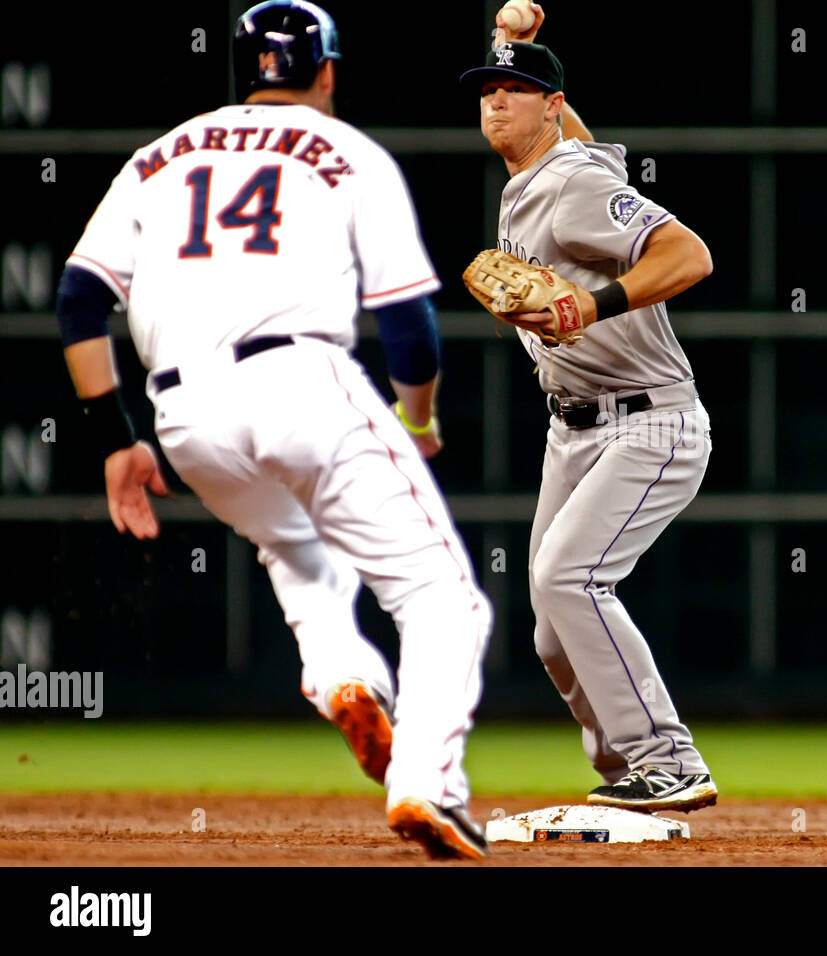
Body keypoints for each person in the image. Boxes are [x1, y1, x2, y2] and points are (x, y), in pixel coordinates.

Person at [55, 0, 491, 860]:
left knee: (297, 550)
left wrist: (117, 439)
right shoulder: (350, 153)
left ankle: (343, 678)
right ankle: (427, 786)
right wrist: (418, 418)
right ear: (326, 71)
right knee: (443, 599)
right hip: (298, 379)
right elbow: (408, 327)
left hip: (183, 415)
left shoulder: (159, 156)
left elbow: (77, 301)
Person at [460, 4, 717, 812]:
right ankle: (627, 776)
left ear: (553, 109)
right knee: (550, 623)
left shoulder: (571, 183)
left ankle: (669, 761)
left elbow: (689, 254)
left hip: (648, 421)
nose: (497, 100)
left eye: (517, 89)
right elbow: (567, 130)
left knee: (571, 578)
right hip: (573, 429)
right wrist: (518, 43)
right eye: (488, 89)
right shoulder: (536, 181)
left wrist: (591, 307)